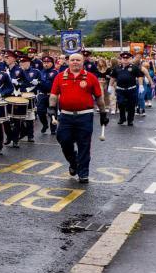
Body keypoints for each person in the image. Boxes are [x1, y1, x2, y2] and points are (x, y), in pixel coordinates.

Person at [50, 53, 108, 184]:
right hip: (65, 116)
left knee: (84, 145)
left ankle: (83, 173)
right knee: (63, 140)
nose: (75, 62)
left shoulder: (91, 77)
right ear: (68, 62)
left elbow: (99, 97)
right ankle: (73, 161)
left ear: (83, 62)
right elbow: (54, 95)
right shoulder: (60, 77)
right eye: (72, 60)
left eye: (78, 60)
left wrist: (103, 113)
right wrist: (51, 108)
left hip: (85, 116)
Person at [111, 52, 143, 126]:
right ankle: (122, 118)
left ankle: (130, 120)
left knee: (131, 105)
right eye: (124, 58)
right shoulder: (117, 67)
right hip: (120, 89)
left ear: (130, 59)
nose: (125, 59)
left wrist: (141, 85)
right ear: (121, 59)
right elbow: (113, 77)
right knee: (120, 103)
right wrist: (110, 86)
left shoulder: (134, 67)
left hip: (131, 89)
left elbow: (140, 76)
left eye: (127, 58)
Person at [15, 55, 41, 143]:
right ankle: (22, 133)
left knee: (30, 116)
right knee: (19, 116)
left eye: (23, 62)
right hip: (21, 95)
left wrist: (37, 82)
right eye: (21, 63)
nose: (22, 64)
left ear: (28, 63)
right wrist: (16, 83)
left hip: (30, 95)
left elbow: (41, 82)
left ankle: (30, 135)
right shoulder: (19, 71)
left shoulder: (35, 71)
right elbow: (18, 83)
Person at [37, 56, 60, 135]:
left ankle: (53, 129)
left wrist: (40, 83)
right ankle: (45, 124)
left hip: (52, 95)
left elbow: (53, 85)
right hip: (42, 94)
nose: (46, 64)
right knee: (40, 111)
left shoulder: (55, 72)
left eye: (48, 63)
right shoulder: (40, 72)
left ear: (52, 63)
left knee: (52, 112)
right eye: (44, 63)